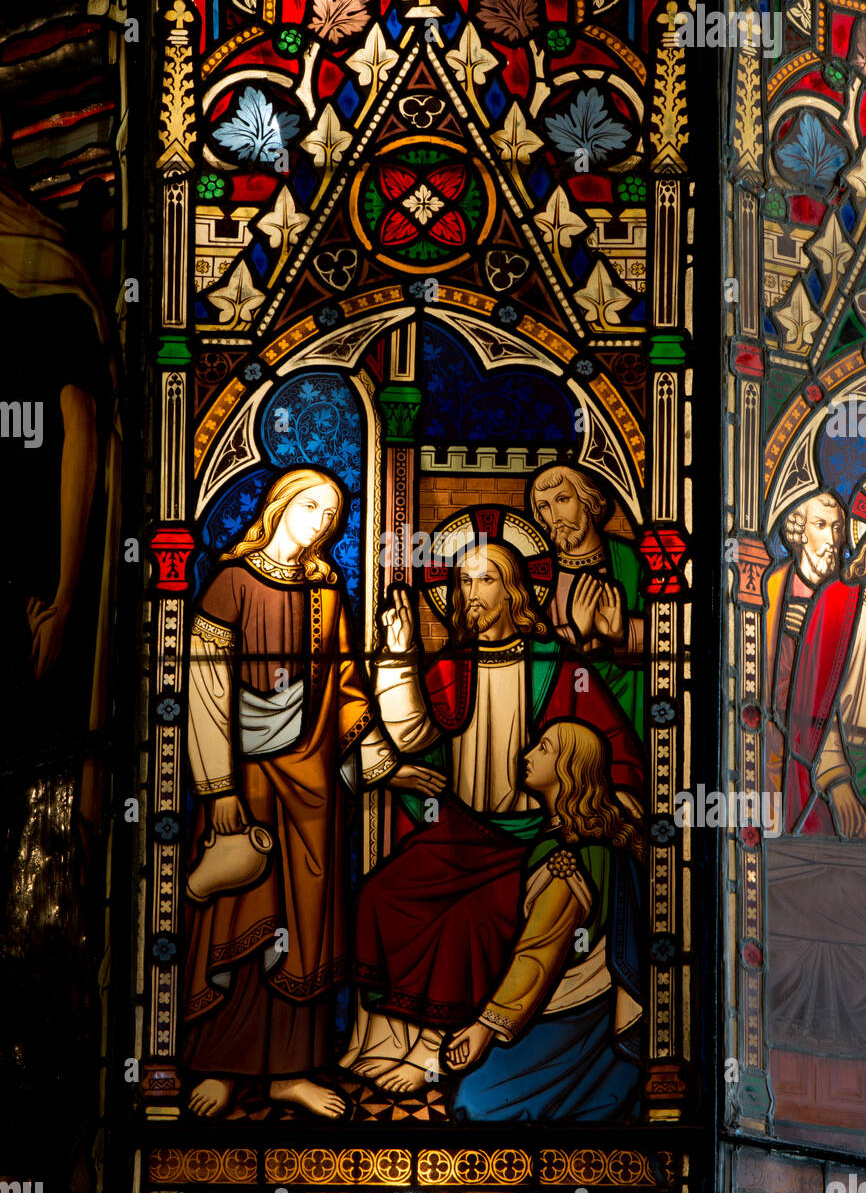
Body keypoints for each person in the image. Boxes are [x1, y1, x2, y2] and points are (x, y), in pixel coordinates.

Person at [341, 540, 643, 1093]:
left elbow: (613, 741)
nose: (470, 595)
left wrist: (618, 801)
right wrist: (397, 657)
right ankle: (382, 1042)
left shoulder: (555, 664)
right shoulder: (452, 665)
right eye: (462, 583)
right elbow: (414, 735)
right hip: (459, 831)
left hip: (529, 839)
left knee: (472, 918)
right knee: (379, 895)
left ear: (514, 591)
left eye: (483, 581)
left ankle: (433, 1053)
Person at [183, 467, 436, 1119]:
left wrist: (379, 757)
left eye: (333, 513)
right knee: (241, 909)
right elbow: (208, 694)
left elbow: (347, 684)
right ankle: (217, 1063)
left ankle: (289, 1071)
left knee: (306, 927)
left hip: (315, 784)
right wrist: (216, 789)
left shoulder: (326, 588)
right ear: (279, 506)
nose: (322, 520)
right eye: (311, 505)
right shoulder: (232, 583)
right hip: (246, 777)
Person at [447, 718, 645, 1122]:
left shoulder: (568, 857)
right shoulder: (577, 842)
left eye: (544, 748)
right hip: (587, 1016)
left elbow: (539, 955)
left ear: (570, 766)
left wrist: (485, 1028)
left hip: (574, 1021)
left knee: (474, 1105)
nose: (527, 754)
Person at [529, 465, 643, 729]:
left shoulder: (632, 562)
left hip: (623, 701)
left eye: (562, 499)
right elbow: (521, 648)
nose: (555, 516)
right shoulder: (535, 574)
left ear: (588, 501)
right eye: (544, 507)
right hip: (558, 705)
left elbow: (671, 630)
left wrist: (624, 633)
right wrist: (573, 632)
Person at [764, 493, 843, 834]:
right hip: (777, 739)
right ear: (798, 530)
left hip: (832, 734)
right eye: (821, 525)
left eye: (837, 528)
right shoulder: (772, 588)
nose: (831, 539)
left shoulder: (849, 599)